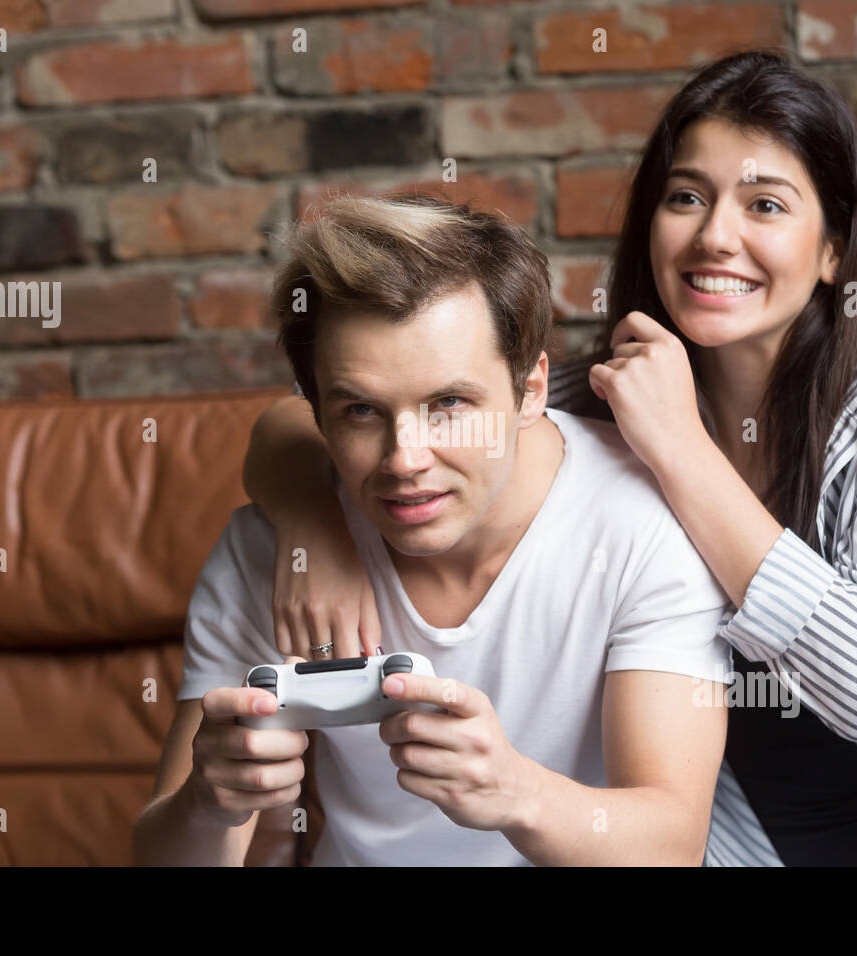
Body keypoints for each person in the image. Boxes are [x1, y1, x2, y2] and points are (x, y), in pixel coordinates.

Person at [240, 50, 857, 866]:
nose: (715, 237)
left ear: (833, 248)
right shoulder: (596, 393)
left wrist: (684, 449)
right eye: (686, 198)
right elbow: (300, 418)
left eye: (765, 205)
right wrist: (320, 528)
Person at [133, 194, 736, 867]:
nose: (405, 459)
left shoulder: (639, 525)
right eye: (362, 411)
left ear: (531, 388)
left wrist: (515, 792)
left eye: (450, 403)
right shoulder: (270, 554)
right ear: (318, 413)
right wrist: (208, 805)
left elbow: (673, 846)